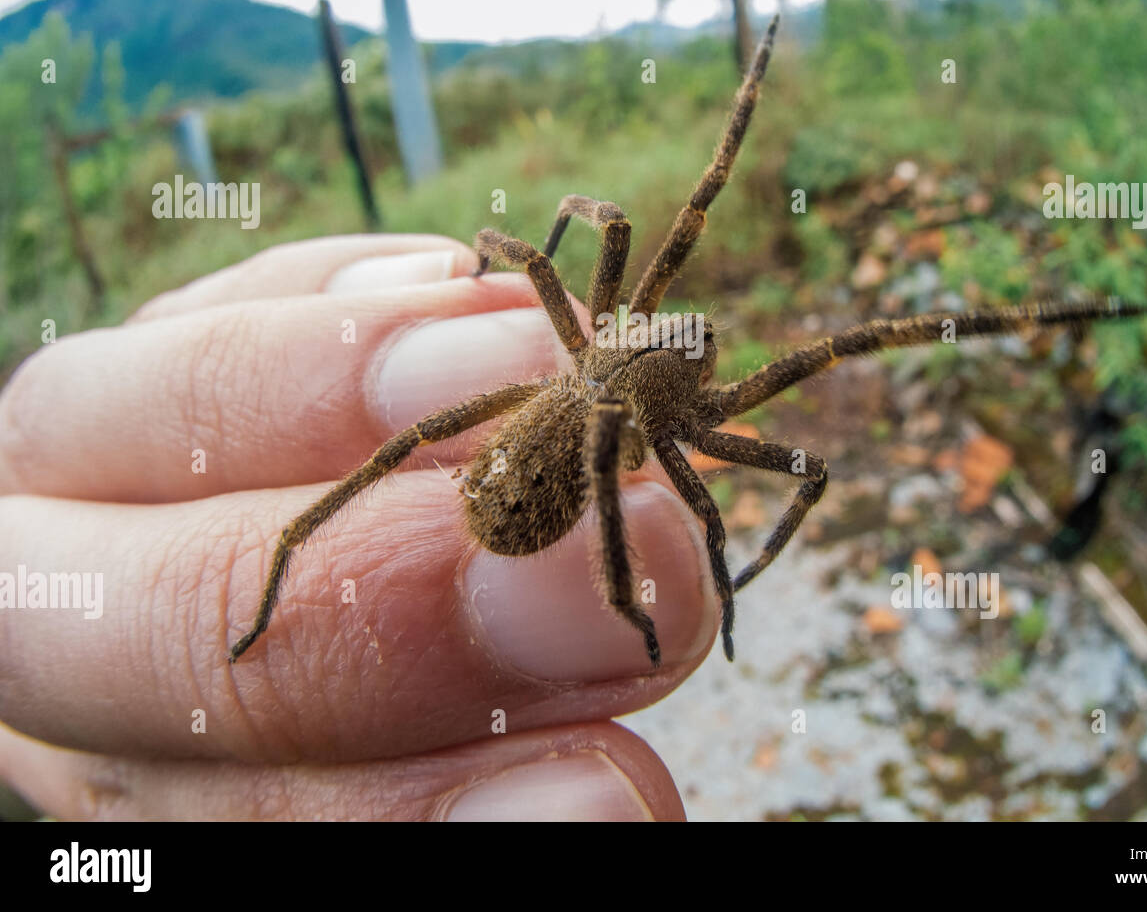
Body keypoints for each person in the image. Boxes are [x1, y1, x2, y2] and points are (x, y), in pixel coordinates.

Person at [0, 235, 720, 821]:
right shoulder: (618, 383)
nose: (686, 333)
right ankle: (289, 545)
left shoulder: (608, 368)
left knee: (431, 439)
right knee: (416, 439)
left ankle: (290, 545)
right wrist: (501, 253)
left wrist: (499, 251)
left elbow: (551, 248)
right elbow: (558, 247)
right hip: (540, 453)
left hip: (540, 436)